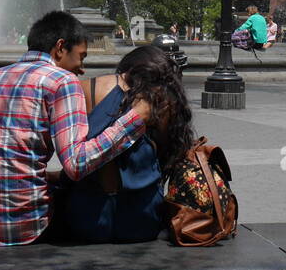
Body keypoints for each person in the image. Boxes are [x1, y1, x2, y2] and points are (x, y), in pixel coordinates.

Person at [0, 11, 151, 246]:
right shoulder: (61, 81)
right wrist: (134, 120)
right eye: (81, 56)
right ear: (60, 48)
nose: (82, 68)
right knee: (96, 207)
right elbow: (77, 163)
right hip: (21, 224)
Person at [66, 44, 194, 243]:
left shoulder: (84, 88)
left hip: (86, 219)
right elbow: (162, 159)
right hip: (141, 221)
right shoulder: (161, 101)